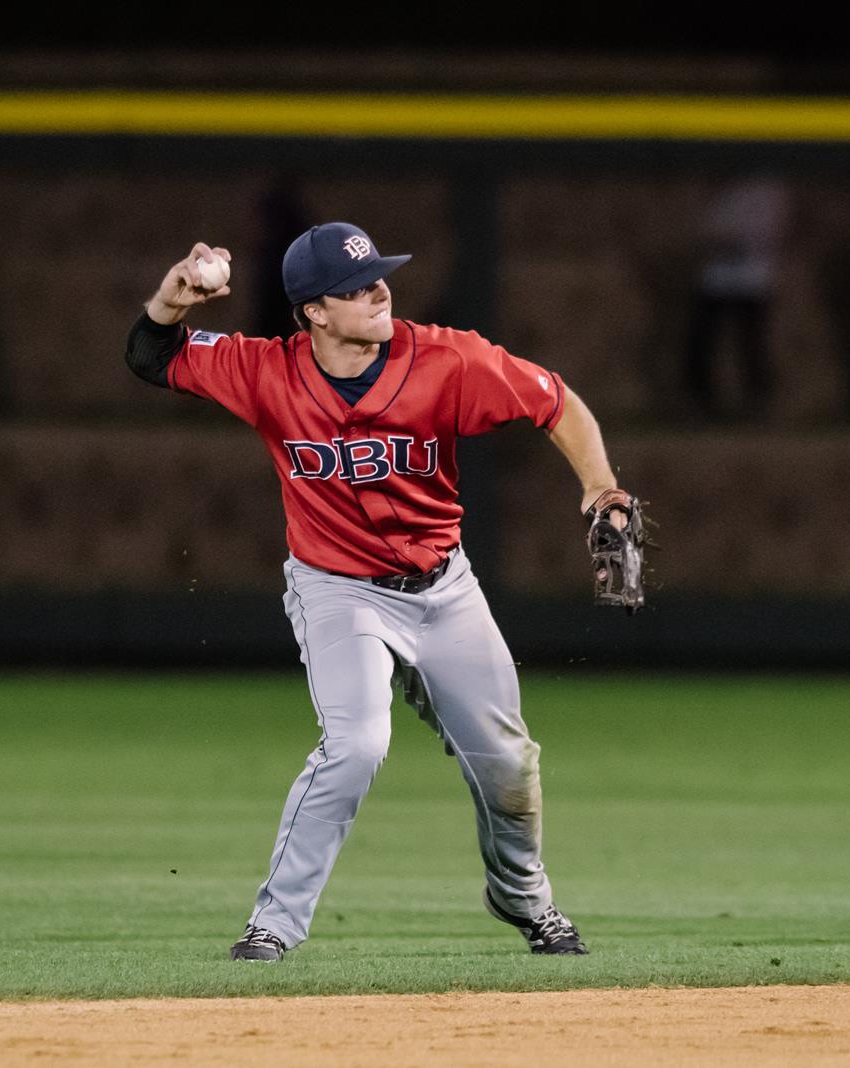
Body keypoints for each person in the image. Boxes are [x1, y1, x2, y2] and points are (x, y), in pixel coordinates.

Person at [124, 222, 634, 961]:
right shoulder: (265, 370)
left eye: (379, 276)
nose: (380, 292)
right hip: (338, 590)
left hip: (444, 587)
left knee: (508, 762)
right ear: (314, 312)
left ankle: (525, 900)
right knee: (357, 743)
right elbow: (150, 355)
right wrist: (173, 300)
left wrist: (600, 487)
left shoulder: (448, 360)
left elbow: (554, 401)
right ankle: (274, 925)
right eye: (356, 287)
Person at [684, 176, 788, 420]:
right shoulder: (720, 184)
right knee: (703, 340)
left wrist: (725, 240)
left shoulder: (766, 187)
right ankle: (700, 402)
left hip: (752, 279)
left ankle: (758, 403)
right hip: (716, 278)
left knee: (751, 343)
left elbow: (764, 230)